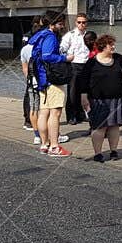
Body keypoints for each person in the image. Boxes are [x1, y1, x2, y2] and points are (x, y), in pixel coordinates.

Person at [80, 35, 122, 162]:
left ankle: (113, 151)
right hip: (98, 99)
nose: (113, 47)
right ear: (103, 47)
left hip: (117, 98)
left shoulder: (118, 58)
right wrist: (84, 96)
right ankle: (98, 153)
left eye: (113, 44)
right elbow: (83, 80)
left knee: (114, 125)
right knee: (99, 126)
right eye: (111, 45)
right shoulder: (92, 62)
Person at [28, 12, 71, 157]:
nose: (62, 26)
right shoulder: (50, 36)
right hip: (52, 78)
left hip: (42, 78)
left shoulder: (41, 35)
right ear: (53, 24)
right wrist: (65, 58)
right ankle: (54, 146)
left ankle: (44, 144)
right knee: (55, 113)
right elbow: (47, 56)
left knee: (44, 112)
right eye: (60, 23)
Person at [60, 12, 92, 125]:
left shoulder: (90, 35)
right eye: (79, 22)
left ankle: (81, 114)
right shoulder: (70, 35)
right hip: (74, 65)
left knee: (85, 91)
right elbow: (62, 48)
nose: (81, 24)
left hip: (87, 65)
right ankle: (71, 116)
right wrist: (66, 57)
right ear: (76, 23)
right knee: (73, 92)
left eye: (84, 22)